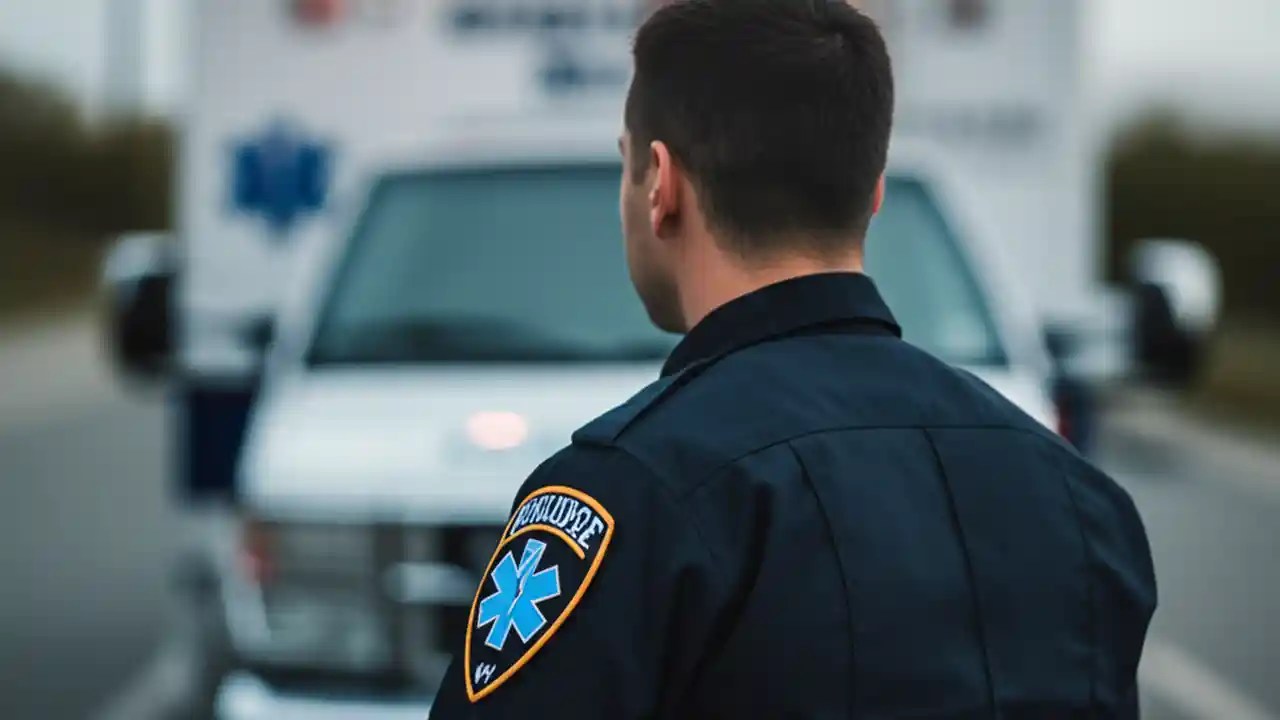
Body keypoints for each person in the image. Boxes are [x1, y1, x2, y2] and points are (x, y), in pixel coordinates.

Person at [430, 0, 1156, 716]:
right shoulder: (1079, 498)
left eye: (626, 169)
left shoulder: (631, 493)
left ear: (661, 183)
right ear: (872, 191)